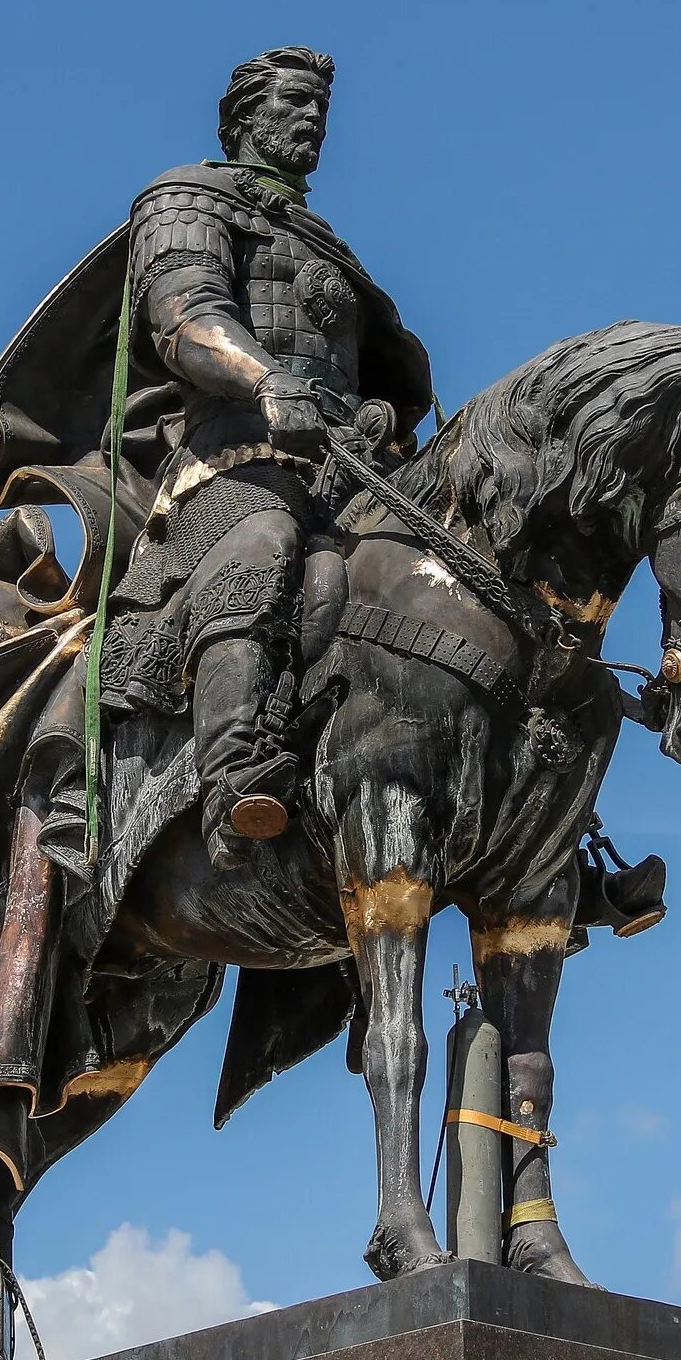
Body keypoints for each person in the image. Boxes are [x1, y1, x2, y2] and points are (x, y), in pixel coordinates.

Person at [90, 46, 433, 867]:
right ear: (245, 116)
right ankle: (232, 773)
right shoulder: (186, 198)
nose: (314, 118)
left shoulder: (325, 243)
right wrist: (266, 379)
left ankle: (537, 834)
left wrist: (377, 412)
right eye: (294, 102)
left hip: (350, 472)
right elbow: (183, 314)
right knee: (265, 542)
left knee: (456, 581)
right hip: (233, 460)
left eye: (321, 107)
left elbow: (358, 369)